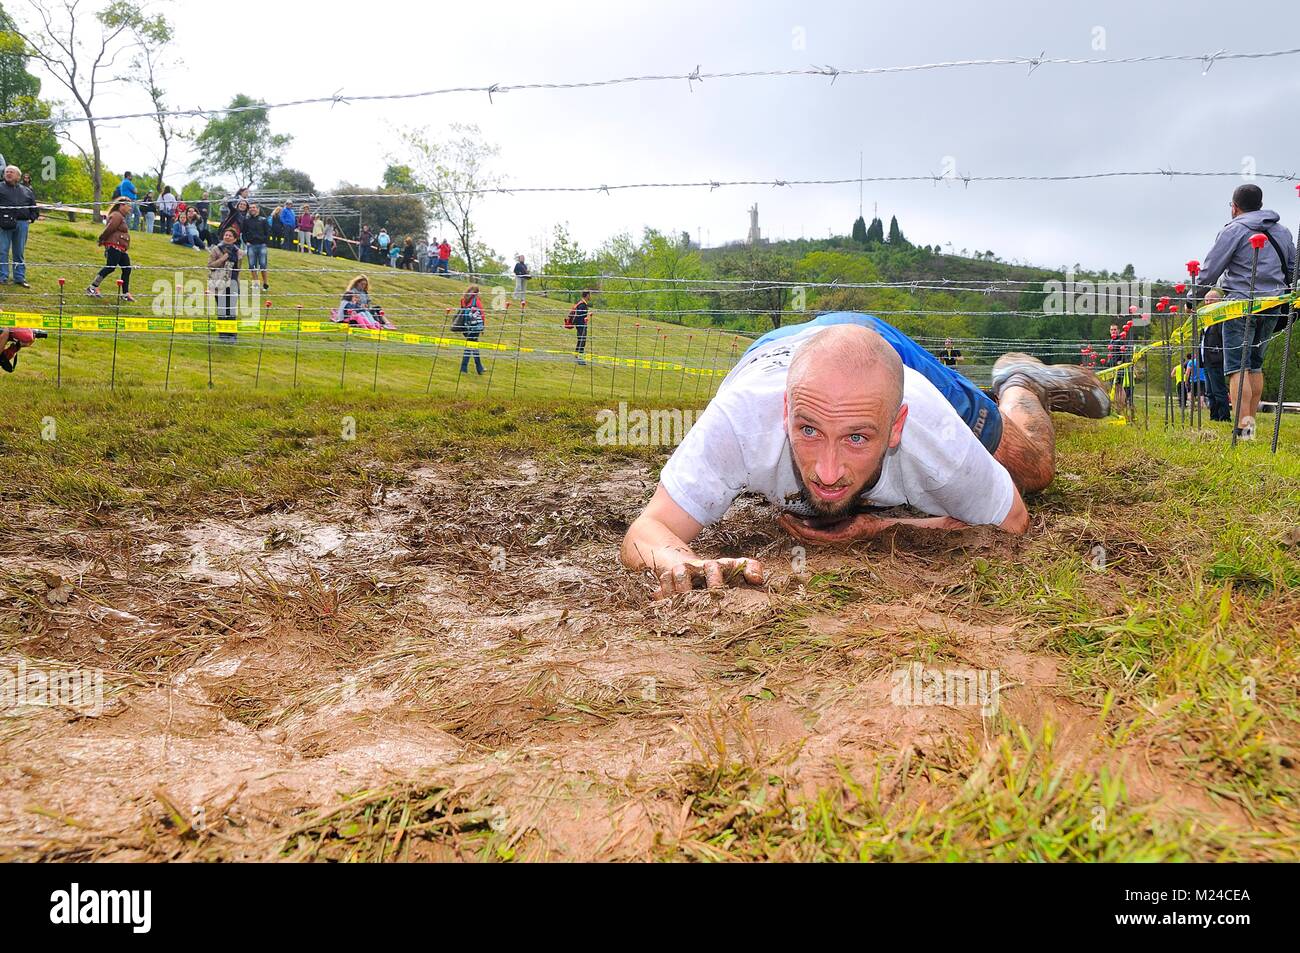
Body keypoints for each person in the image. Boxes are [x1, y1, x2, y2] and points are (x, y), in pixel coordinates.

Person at [619, 313, 1111, 597]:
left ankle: (1021, 381)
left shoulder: (927, 426)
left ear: (896, 427)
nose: (828, 473)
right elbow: (648, 530)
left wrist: (884, 527)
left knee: (1033, 469)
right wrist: (680, 562)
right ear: (785, 411)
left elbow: (1014, 520)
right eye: (808, 430)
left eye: (857, 437)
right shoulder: (740, 418)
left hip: (882, 347)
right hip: (773, 353)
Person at [1195, 183, 1296, 440]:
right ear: (1260, 205)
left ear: (1235, 206)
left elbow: (1210, 270)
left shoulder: (1234, 230)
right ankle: (1249, 429)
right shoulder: (1282, 232)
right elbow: (1294, 269)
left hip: (1240, 306)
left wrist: (1191, 298)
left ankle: (1243, 430)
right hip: (1273, 306)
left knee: (1237, 368)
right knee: (1255, 366)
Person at [87, 197, 135, 301]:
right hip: (114, 246)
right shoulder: (116, 215)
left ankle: (125, 293)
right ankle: (92, 287)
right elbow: (109, 228)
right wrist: (102, 239)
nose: (130, 208)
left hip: (120, 248)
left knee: (127, 269)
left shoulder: (120, 216)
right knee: (110, 267)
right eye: (128, 206)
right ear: (121, 205)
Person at [0, 164, 38, 288]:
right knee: (2, 250)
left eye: (11, 172)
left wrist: (31, 218)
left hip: (22, 224)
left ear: (18, 176)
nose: (8, 174)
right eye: (6, 172)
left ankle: (19, 277)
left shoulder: (27, 190)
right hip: (3, 224)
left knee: (19, 252)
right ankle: (2, 277)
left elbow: (34, 208)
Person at [208, 226, 242, 343]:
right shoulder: (216, 249)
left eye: (230, 236)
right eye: (226, 235)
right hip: (219, 283)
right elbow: (211, 265)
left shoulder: (238, 252)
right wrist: (223, 258)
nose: (227, 237)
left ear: (234, 239)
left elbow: (238, 269)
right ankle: (223, 335)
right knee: (222, 309)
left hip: (233, 283)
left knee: (231, 310)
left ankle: (232, 334)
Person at [455, 284, 485, 374]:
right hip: (475, 326)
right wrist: (483, 326)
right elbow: (482, 313)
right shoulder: (476, 300)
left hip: (466, 326)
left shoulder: (463, 300)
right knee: (470, 346)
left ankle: (479, 367)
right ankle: (464, 368)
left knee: (473, 345)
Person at [243, 203, 270, 290]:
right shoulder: (246, 220)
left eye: (254, 207)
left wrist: (265, 242)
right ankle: (256, 284)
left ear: (258, 209)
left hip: (262, 245)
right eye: (250, 208)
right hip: (251, 245)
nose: (252, 209)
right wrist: (246, 241)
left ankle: (265, 284)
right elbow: (244, 232)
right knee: (252, 265)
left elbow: (268, 232)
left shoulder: (263, 220)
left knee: (263, 265)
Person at [568, 289, 592, 363]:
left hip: (580, 325)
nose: (590, 296)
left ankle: (576, 354)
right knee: (582, 341)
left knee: (580, 340)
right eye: (589, 295)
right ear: (587, 295)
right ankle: (580, 358)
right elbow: (579, 316)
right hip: (581, 325)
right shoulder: (582, 305)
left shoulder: (581, 303)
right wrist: (585, 319)